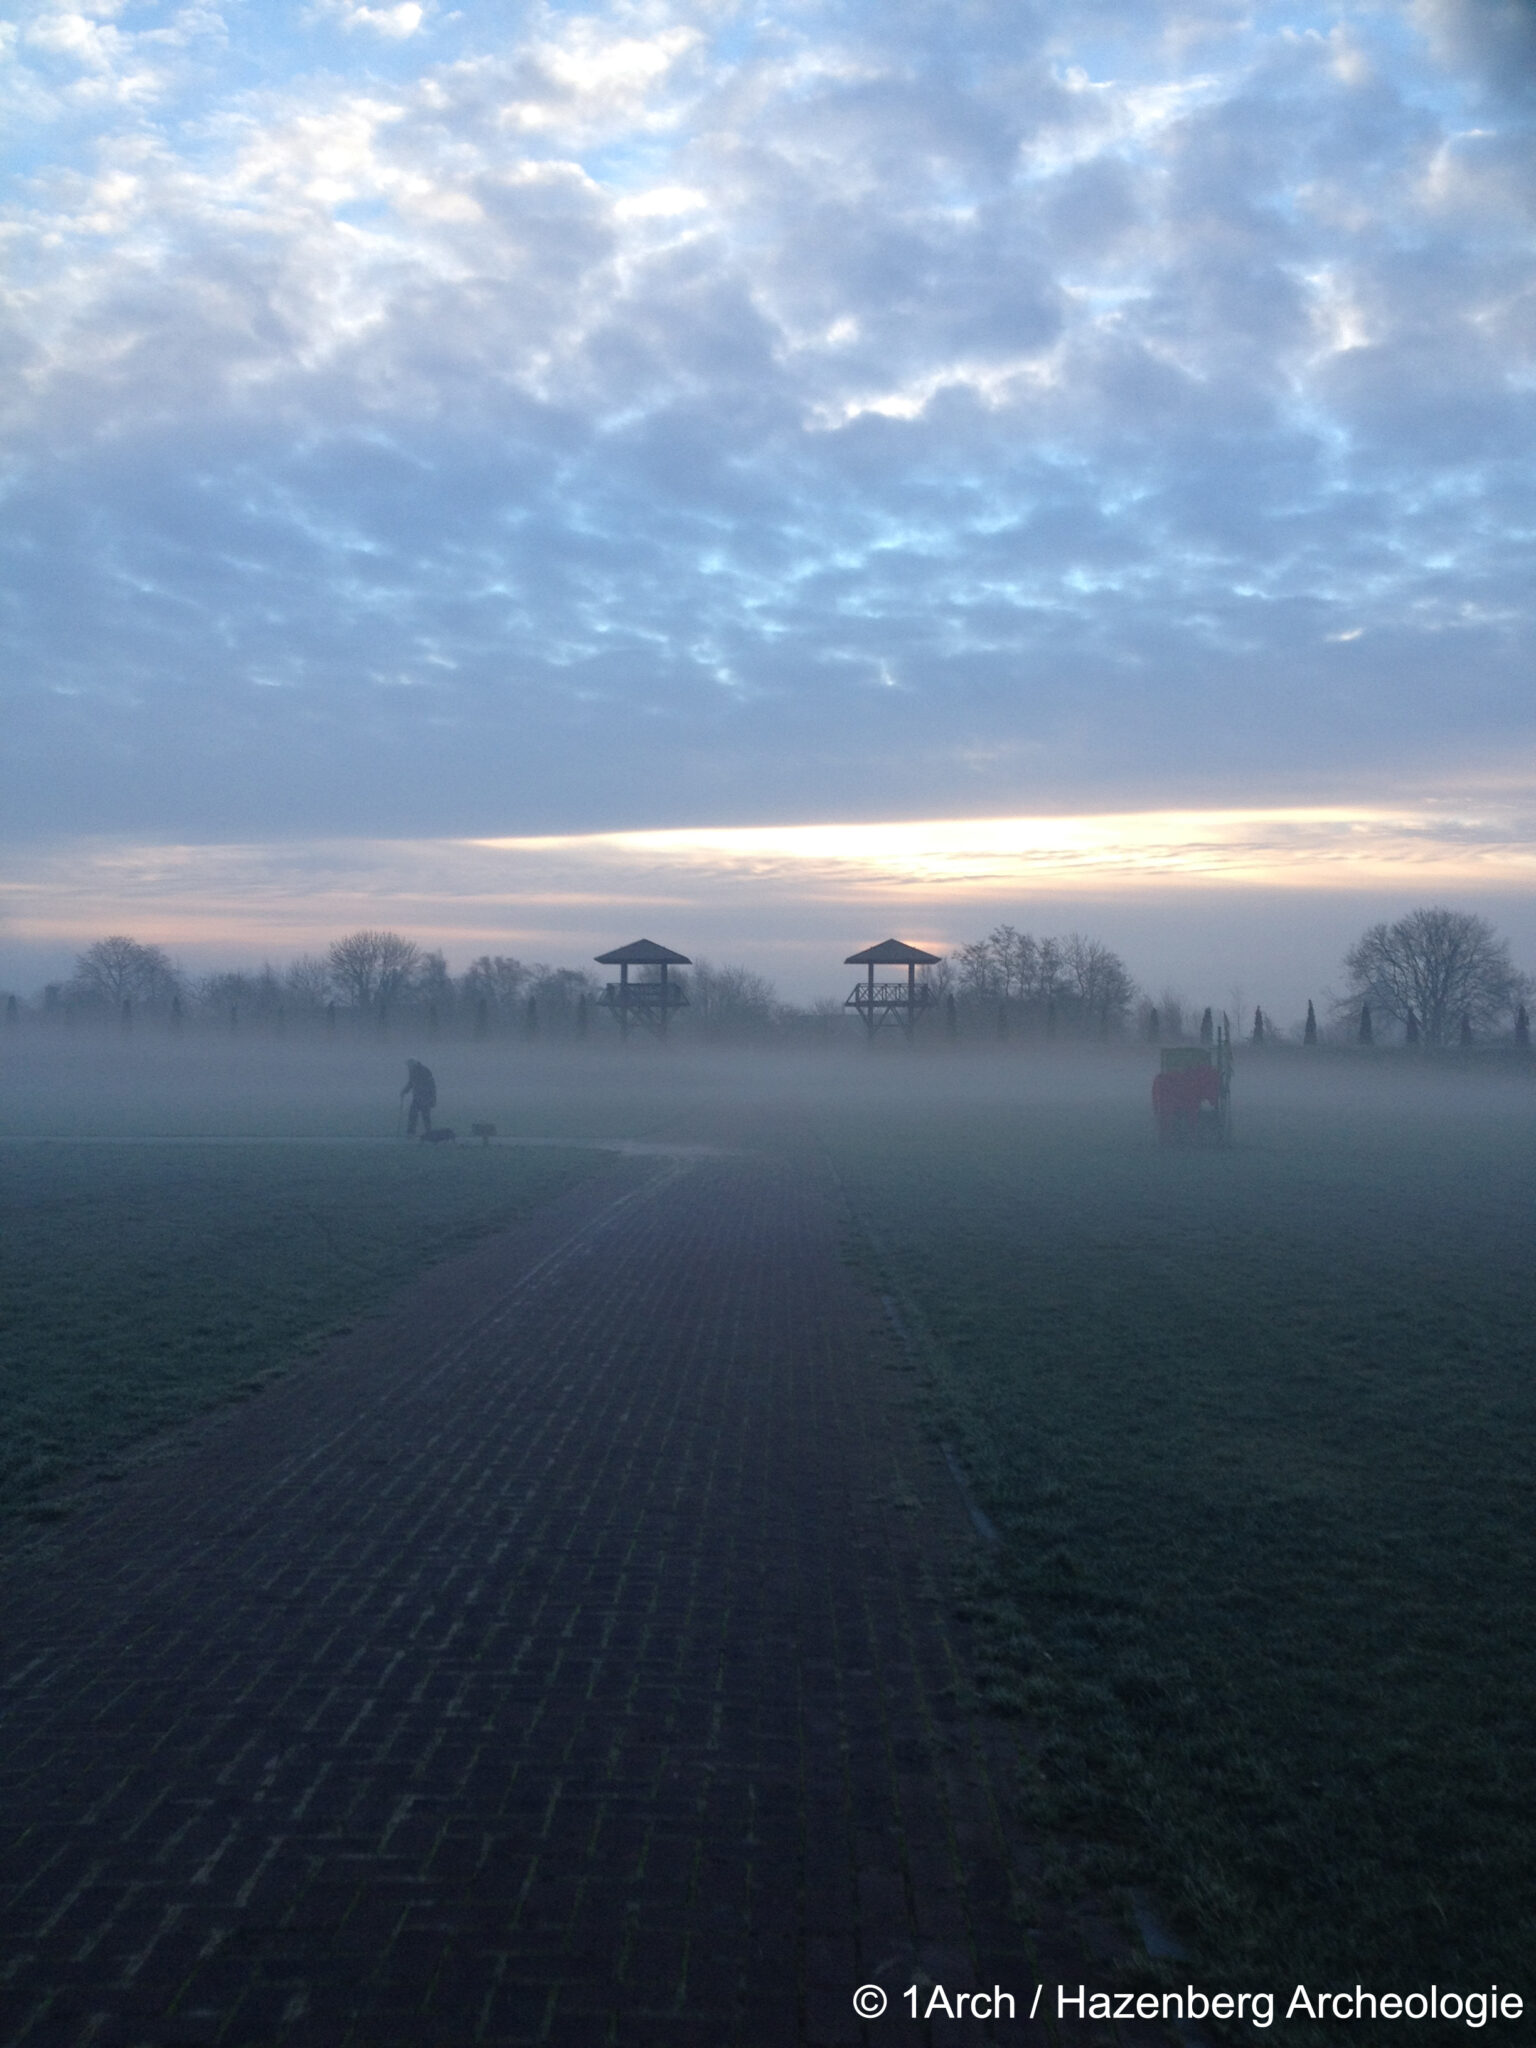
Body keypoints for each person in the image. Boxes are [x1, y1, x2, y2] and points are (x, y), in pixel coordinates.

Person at [401, 1058, 437, 1136]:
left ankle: (428, 1133)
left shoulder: (424, 1070)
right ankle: (411, 1132)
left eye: (408, 1065)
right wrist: (405, 1091)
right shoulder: (412, 1071)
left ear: (413, 1064)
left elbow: (431, 1085)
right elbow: (411, 1083)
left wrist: (432, 1098)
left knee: (425, 1116)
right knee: (413, 1115)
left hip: (425, 1097)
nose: (408, 1067)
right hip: (417, 1097)